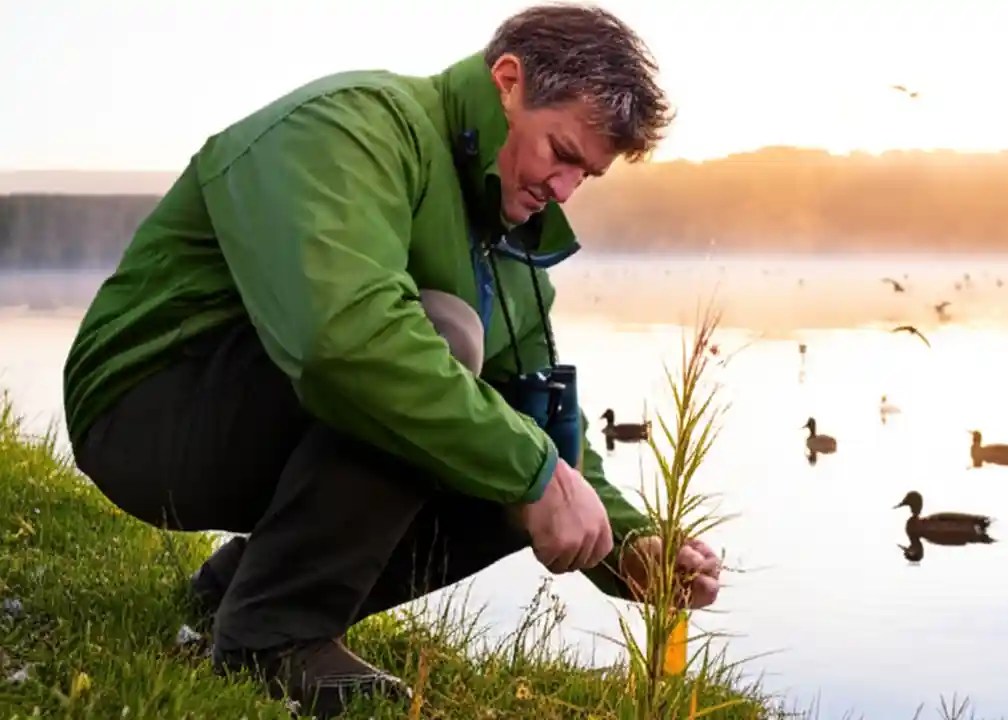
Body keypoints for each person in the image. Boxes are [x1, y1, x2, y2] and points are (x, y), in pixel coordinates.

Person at [61, 4, 722, 716]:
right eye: (561, 153)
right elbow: (345, 340)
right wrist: (531, 473)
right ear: (507, 82)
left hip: (264, 412)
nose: (563, 190)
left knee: (509, 456)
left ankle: (240, 590)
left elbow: (539, 421)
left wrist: (630, 548)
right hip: (146, 405)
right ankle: (272, 638)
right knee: (446, 347)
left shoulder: (509, 235)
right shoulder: (354, 125)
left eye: (584, 176)